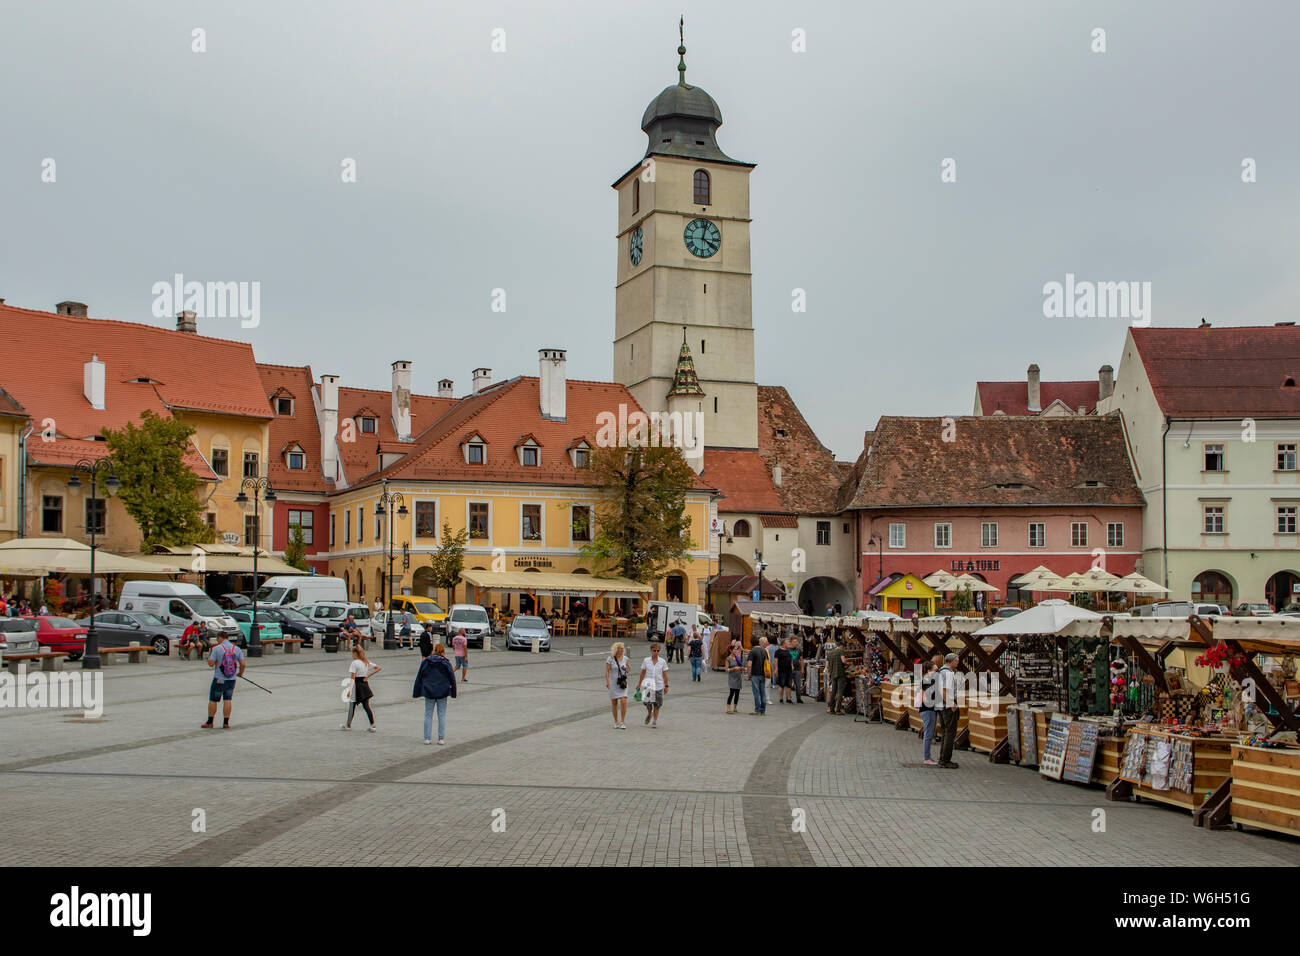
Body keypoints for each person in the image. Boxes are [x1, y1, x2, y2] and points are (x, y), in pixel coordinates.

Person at [413, 642, 457, 744]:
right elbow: (452, 678)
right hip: (442, 690)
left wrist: (417, 691)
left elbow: (419, 676)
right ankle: (441, 738)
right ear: (443, 651)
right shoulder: (445, 663)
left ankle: (427, 738)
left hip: (428, 690)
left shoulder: (426, 662)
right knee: (441, 714)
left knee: (428, 714)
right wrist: (453, 692)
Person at [202, 631, 246, 729]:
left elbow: (211, 664)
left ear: (220, 637)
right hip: (231, 679)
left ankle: (210, 722)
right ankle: (226, 723)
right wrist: (240, 673)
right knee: (228, 699)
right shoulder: (236, 649)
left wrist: (209, 659)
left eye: (218, 639)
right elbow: (243, 664)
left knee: (213, 700)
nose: (218, 641)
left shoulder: (217, 648)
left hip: (219, 679)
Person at [341, 644, 381, 732]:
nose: (352, 655)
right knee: (366, 706)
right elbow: (378, 668)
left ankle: (348, 724)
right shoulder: (365, 662)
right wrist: (368, 676)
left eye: (353, 654)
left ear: (356, 654)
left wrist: (349, 690)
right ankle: (373, 725)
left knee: (352, 706)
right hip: (364, 684)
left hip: (357, 685)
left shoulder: (354, 663)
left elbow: (352, 677)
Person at [937, 653, 960, 768]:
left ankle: (942, 758)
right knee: (950, 733)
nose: (958, 663)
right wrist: (952, 705)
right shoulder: (949, 673)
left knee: (945, 732)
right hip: (947, 706)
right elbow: (943, 690)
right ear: (953, 661)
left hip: (941, 706)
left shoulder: (941, 671)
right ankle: (946, 759)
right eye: (957, 661)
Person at [638, 641, 669, 728]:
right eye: (654, 650)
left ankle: (655, 721)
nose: (656, 652)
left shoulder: (662, 661)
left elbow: (665, 675)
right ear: (651, 651)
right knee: (647, 703)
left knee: (657, 704)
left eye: (657, 651)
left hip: (659, 685)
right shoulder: (646, 660)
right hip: (648, 685)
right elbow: (642, 673)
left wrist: (666, 686)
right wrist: (639, 683)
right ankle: (649, 713)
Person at [920, 656, 940, 766]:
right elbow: (924, 695)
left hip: (930, 708)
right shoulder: (927, 681)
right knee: (928, 733)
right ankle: (926, 758)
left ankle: (928, 757)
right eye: (935, 670)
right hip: (928, 709)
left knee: (930, 732)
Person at [606, 641, 630, 729]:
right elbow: (607, 671)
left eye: (623, 648)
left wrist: (627, 669)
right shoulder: (610, 659)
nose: (622, 650)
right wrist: (607, 682)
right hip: (613, 682)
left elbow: (628, 669)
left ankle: (622, 721)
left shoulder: (625, 658)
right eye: (621, 648)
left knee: (623, 701)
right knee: (614, 702)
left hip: (622, 683)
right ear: (616, 649)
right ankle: (616, 721)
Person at [746, 637, 769, 715]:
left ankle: (758, 709)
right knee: (763, 692)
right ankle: (763, 709)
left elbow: (749, 665)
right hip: (763, 674)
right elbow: (767, 662)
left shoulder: (752, 651)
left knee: (756, 692)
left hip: (755, 674)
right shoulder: (764, 651)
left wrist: (749, 675)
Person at [825, 636, 847, 715]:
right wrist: (848, 663)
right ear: (841, 646)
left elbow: (827, 665)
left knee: (833, 691)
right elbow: (843, 660)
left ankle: (831, 709)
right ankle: (837, 709)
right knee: (840, 691)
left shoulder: (830, 653)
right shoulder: (841, 651)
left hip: (833, 674)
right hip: (840, 673)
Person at [725, 639, 744, 714]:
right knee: (731, 693)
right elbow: (726, 669)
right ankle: (728, 707)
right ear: (730, 650)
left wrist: (742, 668)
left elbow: (741, 666)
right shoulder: (728, 659)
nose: (736, 651)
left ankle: (735, 707)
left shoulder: (737, 658)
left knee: (737, 693)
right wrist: (734, 668)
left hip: (738, 677)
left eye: (736, 649)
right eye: (734, 649)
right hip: (732, 678)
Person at [774, 639, 794, 703]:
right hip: (781, 670)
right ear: (784, 644)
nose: (789, 644)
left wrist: (792, 665)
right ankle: (781, 698)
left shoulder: (789, 651)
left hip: (789, 670)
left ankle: (788, 698)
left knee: (789, 685)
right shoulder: (778, 651)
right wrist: (776, 669)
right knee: (781, 684)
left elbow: (790, 659)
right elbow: (776, 660)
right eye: (787, 643)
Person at [788, 637, 803, 703]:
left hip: (797, 669)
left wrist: (802, 669)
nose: (796, 643)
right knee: (789, 684)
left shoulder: (799, 650)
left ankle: (798, 698)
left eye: (796, 642)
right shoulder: (787, 650)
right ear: (791, 642)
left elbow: (801, 660)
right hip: (789, 669)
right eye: (794, 642)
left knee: (798, 684)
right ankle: (789, 698)